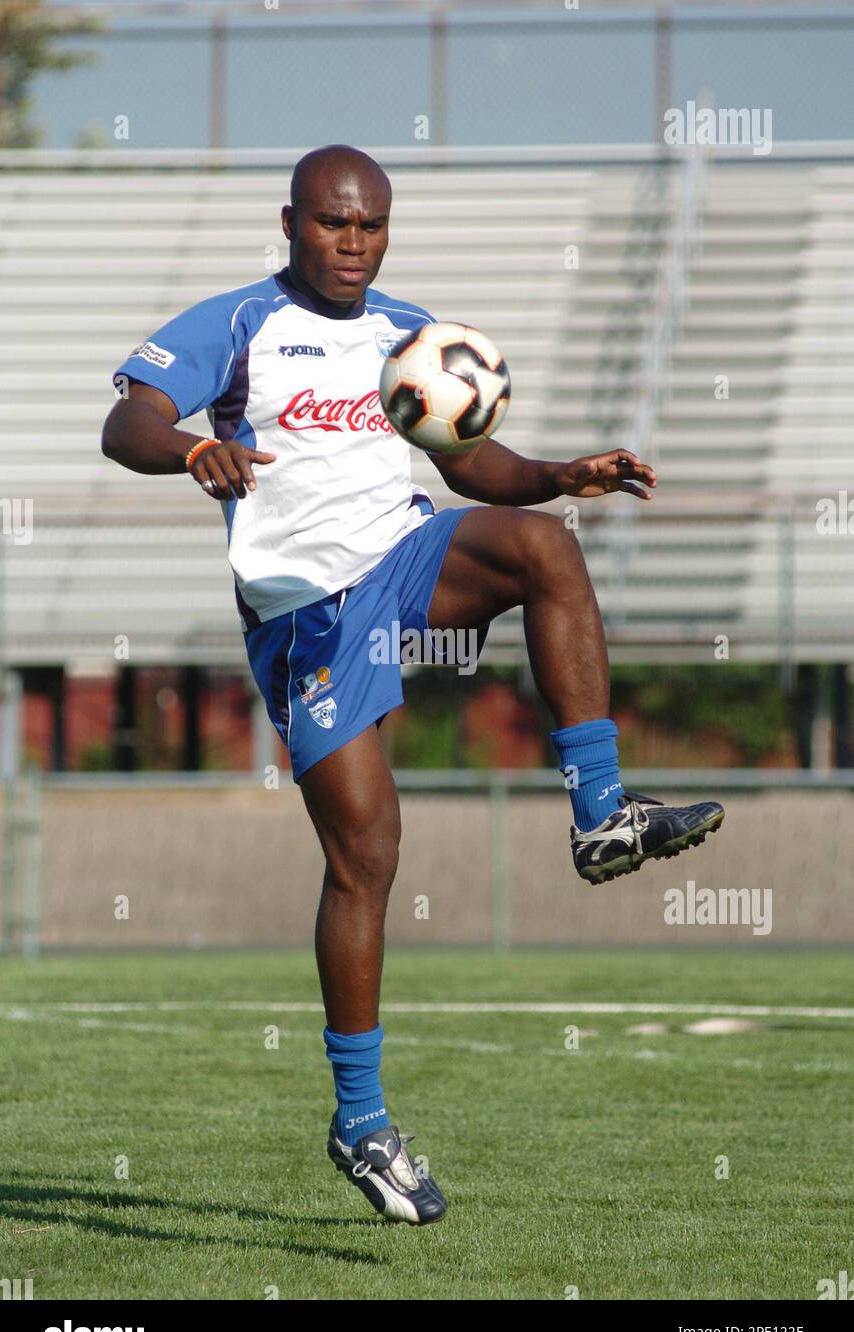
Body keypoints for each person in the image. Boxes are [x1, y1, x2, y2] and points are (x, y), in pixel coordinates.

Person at [101, 144, 724, 1227]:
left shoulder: (408, 331)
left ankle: (600, 812)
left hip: (404, 556)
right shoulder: (241, 322)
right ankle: (361, 1122)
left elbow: (468, 464)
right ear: (292, 222)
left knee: (545, 548)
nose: (354, 243)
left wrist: (560, 474)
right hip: (307, 610)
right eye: (335, 224)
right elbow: (129, 423)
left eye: (373, 225)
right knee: (370, 853)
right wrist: (193, 449)